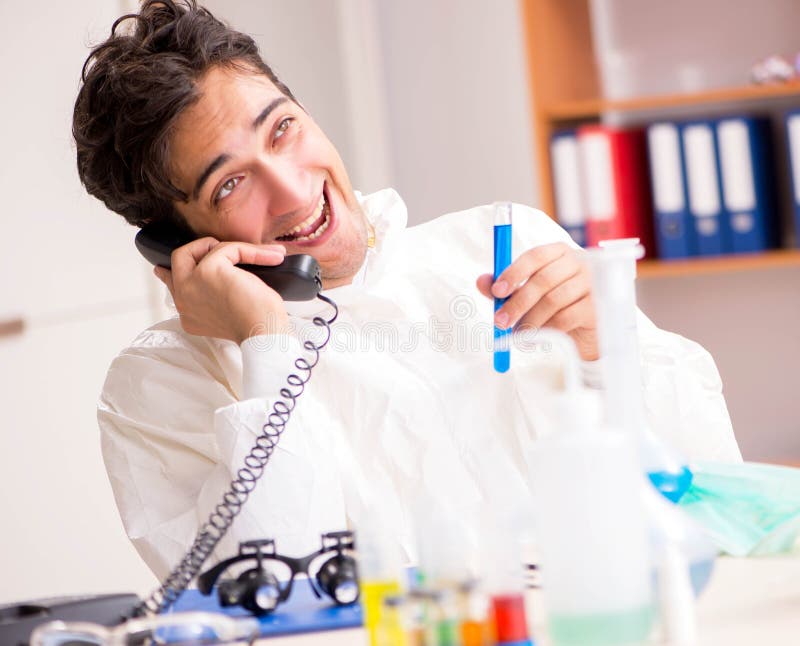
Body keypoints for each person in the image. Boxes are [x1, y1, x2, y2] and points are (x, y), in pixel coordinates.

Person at [74, 0, 741, 581]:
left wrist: (607, 354)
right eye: (230, 184)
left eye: (283, 129)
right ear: (177, 242)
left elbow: (718, 488)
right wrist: (265, 344)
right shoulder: (156, 387)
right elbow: (277, 599)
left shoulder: (498, 246)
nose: (293, 187)